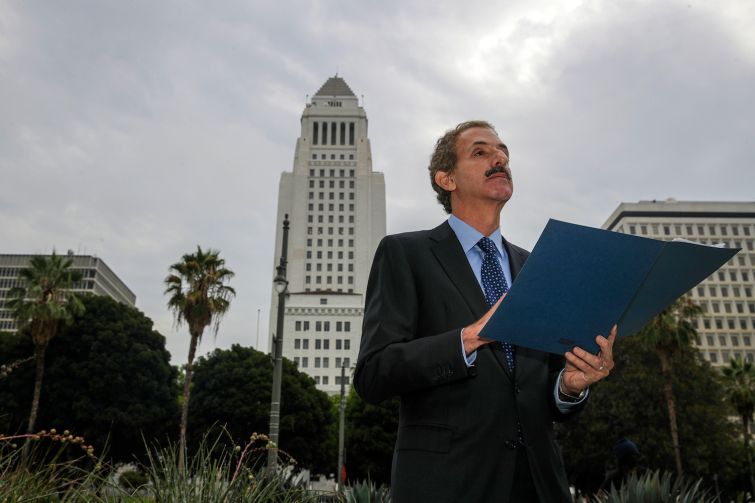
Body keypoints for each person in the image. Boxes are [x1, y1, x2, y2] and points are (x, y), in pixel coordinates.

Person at [354, 120, 617, 502]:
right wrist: (470, 337)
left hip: (540, 485)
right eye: (481, 152)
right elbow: (373, 373)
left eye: (503, 152)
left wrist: (568, 387)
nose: (499, 158)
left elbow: (537, 386)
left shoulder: (537, 268)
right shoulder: (404, 254)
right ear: (447, 179)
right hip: (447, 484)